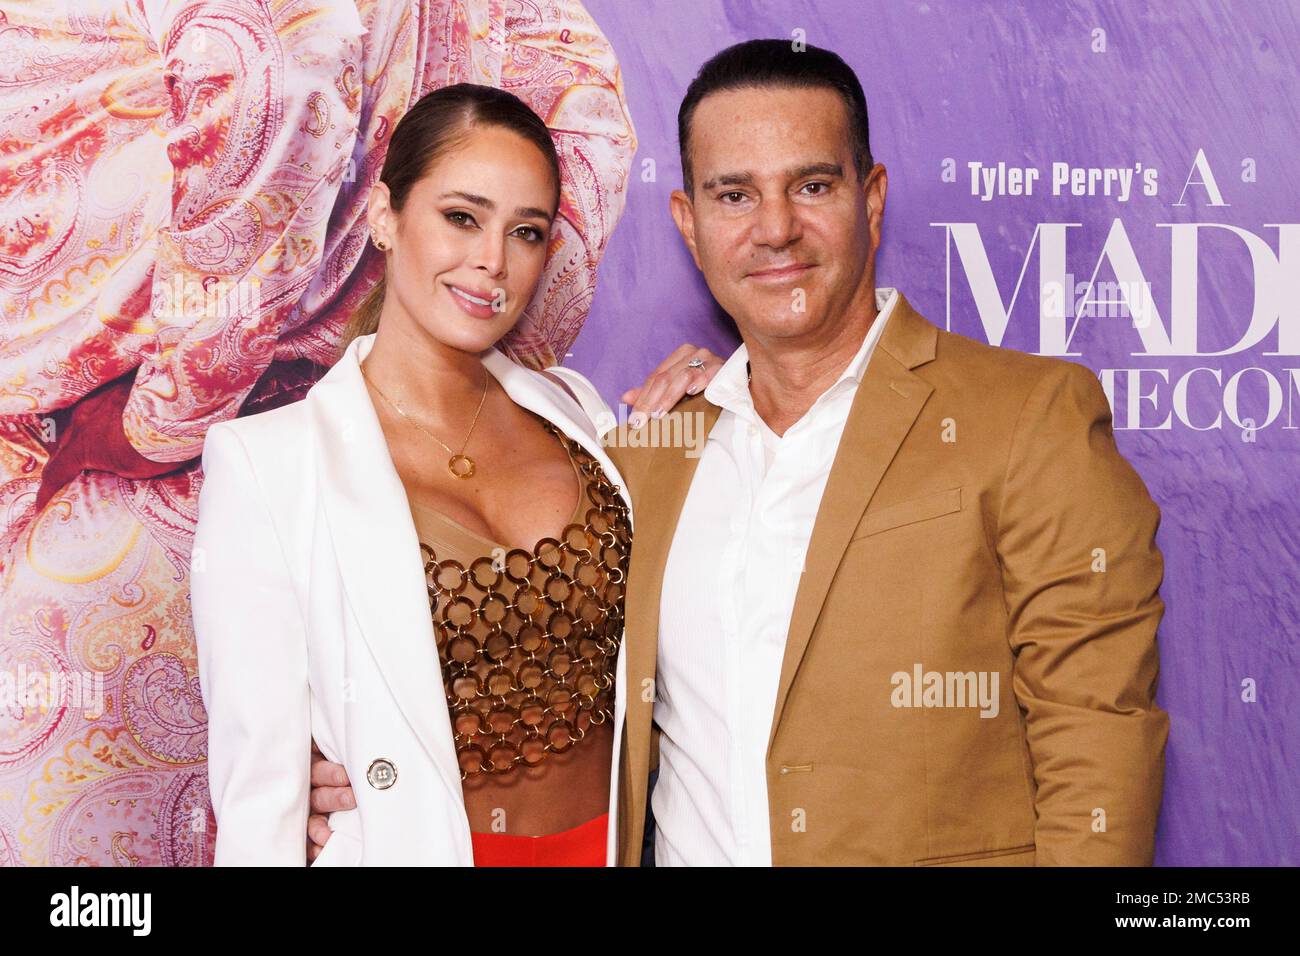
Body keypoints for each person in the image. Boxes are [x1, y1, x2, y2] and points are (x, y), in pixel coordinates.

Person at [191, 83, 719, 866]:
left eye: (526, 231)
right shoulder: (270, 468)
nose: (492, 261)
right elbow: (260, 801)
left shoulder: (578, 415)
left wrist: (729, 393)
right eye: (462, 217)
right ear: (385, 215)